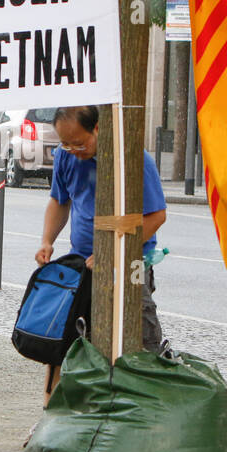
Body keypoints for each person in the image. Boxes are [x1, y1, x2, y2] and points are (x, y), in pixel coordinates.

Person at [35, 105, 168, 394]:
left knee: (137, 339)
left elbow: (156, 216)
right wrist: (47, 240)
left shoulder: (134, 160)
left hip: (131, 262)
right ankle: (53, 411)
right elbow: (60, 201)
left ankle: (137, 405)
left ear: (98, 128)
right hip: (83, 263)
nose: (72, 149)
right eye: (65, 143)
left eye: (79, 143)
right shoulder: (65, 157)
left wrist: (113, 251)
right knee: (67, 338)